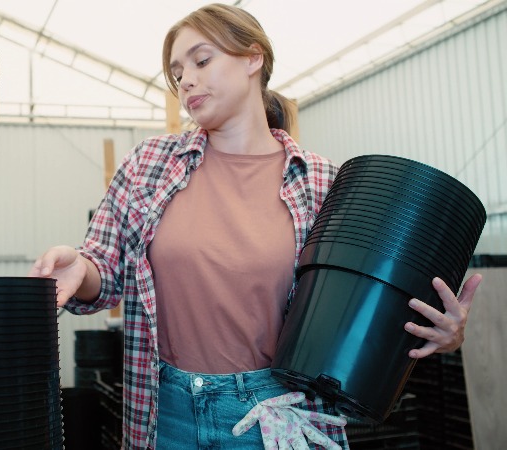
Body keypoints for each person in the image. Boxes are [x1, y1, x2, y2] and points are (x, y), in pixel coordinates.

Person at [30, 3, 482, 449]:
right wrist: (80, 268)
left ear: (253, 58)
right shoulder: (148, 165)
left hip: (279, 416)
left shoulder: (324, 182)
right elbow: (105, 274)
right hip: (164, 414)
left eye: (201, 60)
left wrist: (441, 332)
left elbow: (368, 307)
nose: (185, 81)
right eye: (176, 73)